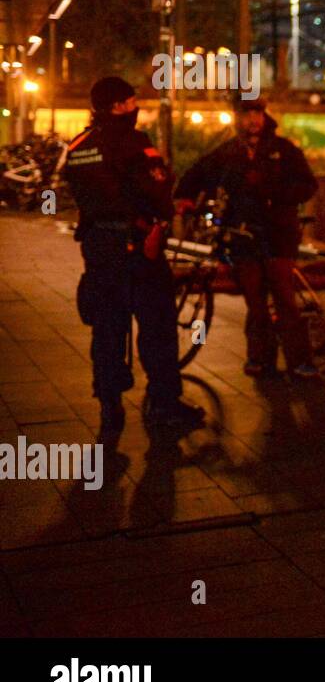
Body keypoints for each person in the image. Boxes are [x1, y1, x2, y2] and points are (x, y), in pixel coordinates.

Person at [62, 77, 204, 433]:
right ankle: (164, 402)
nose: (135, 106)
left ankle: (109, 402)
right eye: (131, 101)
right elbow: (157, 185)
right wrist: (165, 210)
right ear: (118, 106)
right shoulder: (132, 142)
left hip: (98, 246)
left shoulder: (79, 145)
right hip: (137, 247)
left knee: (108, 327)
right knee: (157, 325)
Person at [174, 94, 319, 378]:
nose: (253, 119)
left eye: (258, 113)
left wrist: (273, 192)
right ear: (238, 117)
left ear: (265, 117)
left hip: (278, 234)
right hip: (243, 236)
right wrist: (185, 198)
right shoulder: (228, 152)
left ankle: (301, 360)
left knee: (285, 299)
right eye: (246, 113)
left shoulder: (283, 150)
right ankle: (259, 357)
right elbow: (197, 174)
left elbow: (307, 185)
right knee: (255, 301)